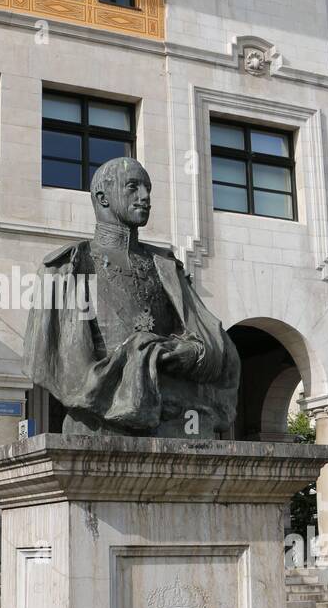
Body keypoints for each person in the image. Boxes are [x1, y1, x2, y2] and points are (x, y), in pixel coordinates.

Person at [24, 157, 240, 437]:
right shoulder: (67, 267)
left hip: (172, 417)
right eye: (133, 187)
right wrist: (132, 357)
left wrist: (190, 352)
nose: (145, 196)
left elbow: (212, 340)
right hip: (97, 424)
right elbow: (53, 365)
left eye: (148, 188)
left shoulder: (165, 265)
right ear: (103, 197)